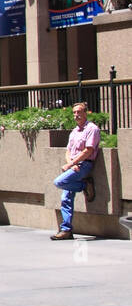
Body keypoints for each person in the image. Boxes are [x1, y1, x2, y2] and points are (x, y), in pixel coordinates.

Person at [51, 102, 101, 240]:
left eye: (79, 112)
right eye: (74, 112)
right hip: (74, 166)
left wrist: (73, 163)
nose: (76, 115)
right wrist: (70, 163)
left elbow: (89, 150)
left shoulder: (92, 129)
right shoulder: (74, 132)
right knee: (65, 198)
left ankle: (85, 185)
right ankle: (66, 230)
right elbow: (68, 150)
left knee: (59, 182)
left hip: (84, 165)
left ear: (85, 113)